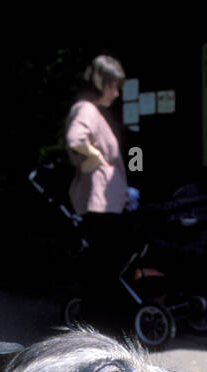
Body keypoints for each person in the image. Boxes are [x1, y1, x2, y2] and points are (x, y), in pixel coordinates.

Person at [66, 54, 130, 316]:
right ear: (100, 83)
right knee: (102, 269)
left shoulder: (92, 111)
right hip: (99, 206)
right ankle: (97, 325)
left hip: (106, 204)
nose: (116, 93)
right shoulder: (87, 109)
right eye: (113, 86)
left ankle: (100, 322)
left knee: (104, 267)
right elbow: (75, 138)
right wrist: (95, 157)